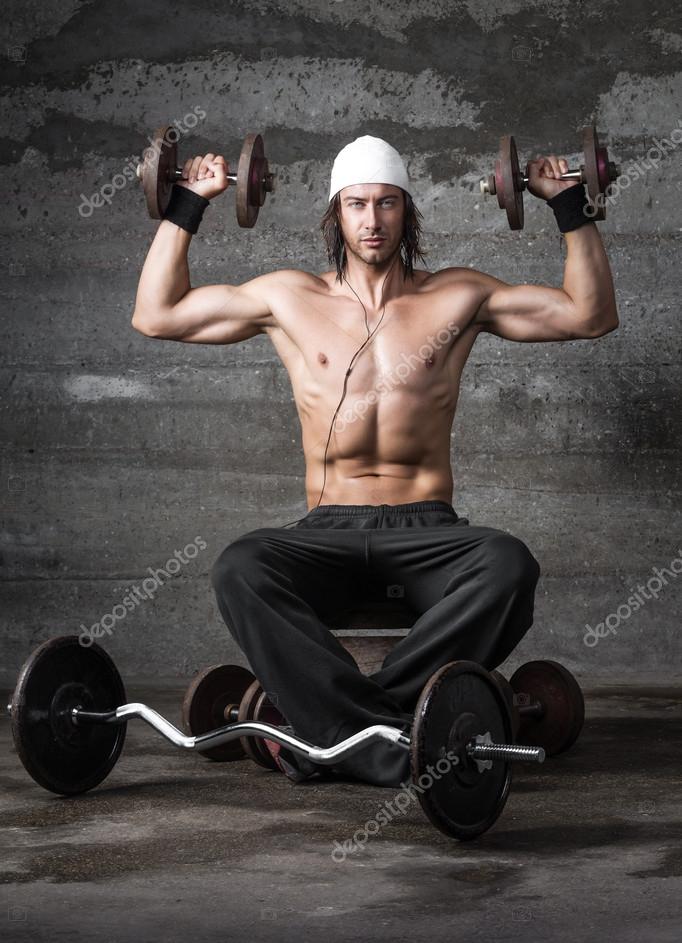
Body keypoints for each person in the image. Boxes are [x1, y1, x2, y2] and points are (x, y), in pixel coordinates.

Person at [131, 134, 618, 786]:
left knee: (507, 564)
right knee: (240, 566)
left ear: (407, 211)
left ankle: (340, 734)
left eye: (387, 203)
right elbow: (155, 314)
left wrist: (569, 205)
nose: (372, 220)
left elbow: (590, 315)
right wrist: (188, 201)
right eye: (357, 204)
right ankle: (392, 737)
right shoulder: (289, 299)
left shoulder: (457, 298)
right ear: (335, 213)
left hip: (430, 532)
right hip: (327, 531)